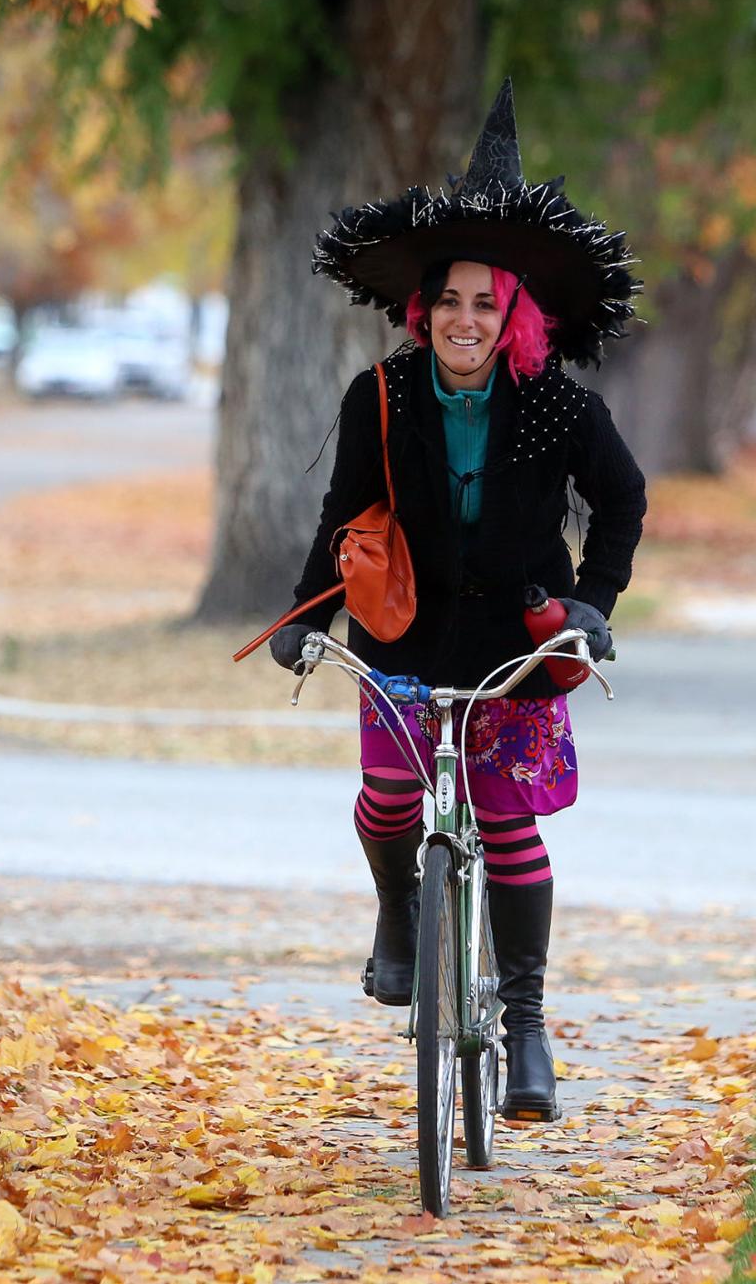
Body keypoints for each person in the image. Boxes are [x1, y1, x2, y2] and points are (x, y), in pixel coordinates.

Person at [268, 80, 645, 1122]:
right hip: (402, 633)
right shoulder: (379, 396)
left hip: (520, 645)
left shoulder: (563, 405)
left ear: (515, 315)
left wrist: (596, 601)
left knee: (511, 826)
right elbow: (347, 515)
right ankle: (399, 909)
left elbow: (621, 499)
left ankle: (524, 1024)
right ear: (420, 308)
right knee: (390, 798)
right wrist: (305, 616)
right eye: (450, 300)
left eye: (488, 302)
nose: (465, 318)